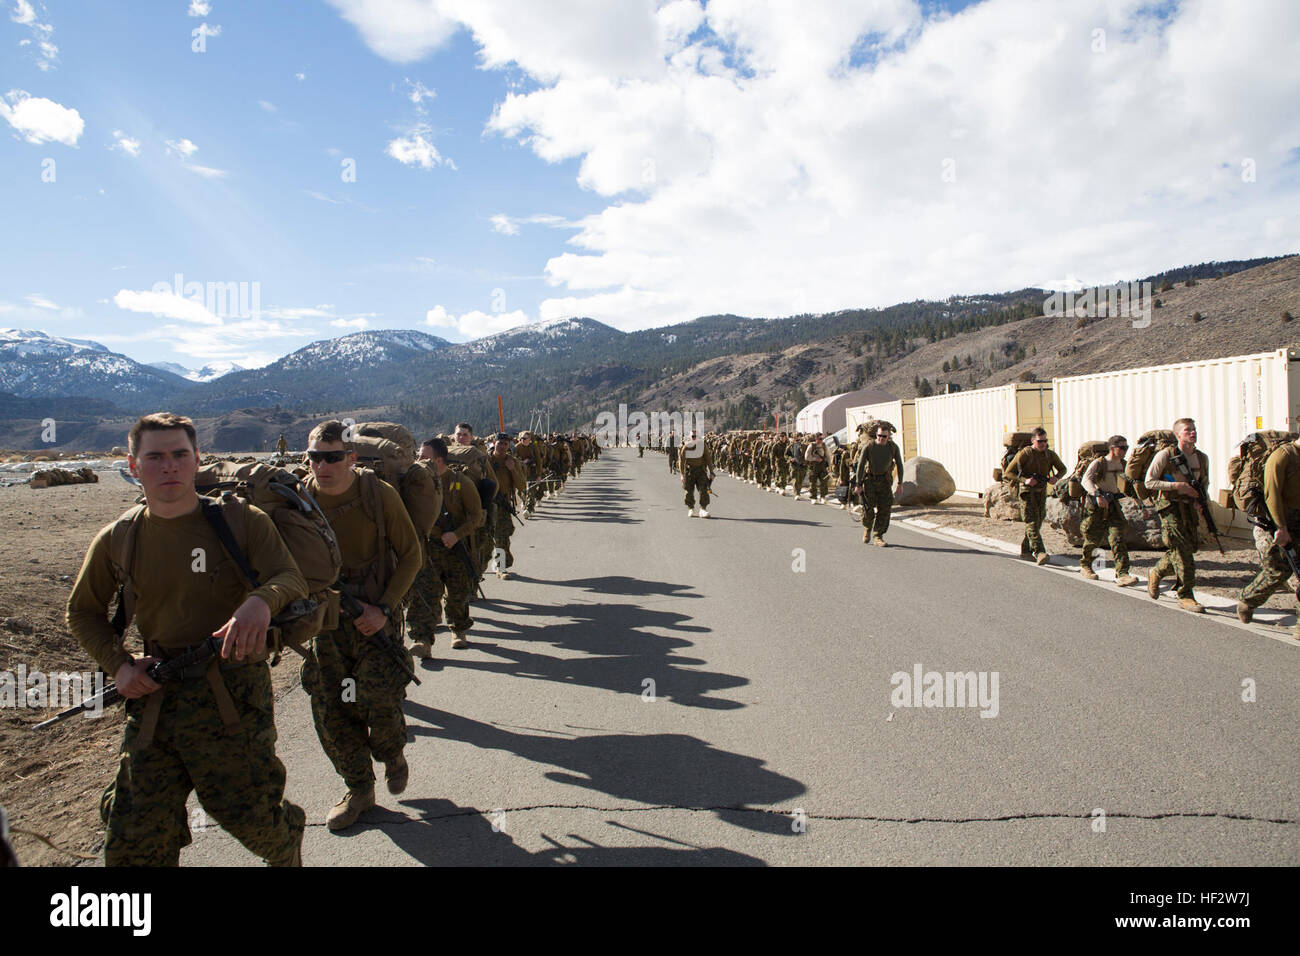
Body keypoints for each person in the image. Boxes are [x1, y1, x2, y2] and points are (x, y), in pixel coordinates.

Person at [66, 412, 308, 866]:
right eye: (155, 457)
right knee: (134, 837)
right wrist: (118, 665)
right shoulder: (120, 537)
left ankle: (287, 841)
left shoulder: (241, 520)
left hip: (232, 692)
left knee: (253, 820)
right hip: (155, 696)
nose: (169, 467)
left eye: (180, 455)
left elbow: (289, 576)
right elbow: (81, 612)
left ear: (197, 460)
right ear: (134, 466)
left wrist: (260, 601)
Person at [301, 420, 423, 830]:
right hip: (325, 625)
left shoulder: (378, 494)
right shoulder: (299, 501)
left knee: (382, 704)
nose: (323, 465)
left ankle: (392, 754)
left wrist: (384, 610)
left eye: (333, 457)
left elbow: (410, 557)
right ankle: (359, 789)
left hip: (375, 619)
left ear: (351, 458)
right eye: (316, 457)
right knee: (332, 711)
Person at [413, 437, 484, 652]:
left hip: (455, 547)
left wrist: (457, 534)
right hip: (428, 548)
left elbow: (477, 516)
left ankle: (458, 630)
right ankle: (423, 639)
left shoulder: (461, 482)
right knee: (425, 594)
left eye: (424, 457)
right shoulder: (415, 483)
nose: (419, 460)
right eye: (418, 456)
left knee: (457, 593)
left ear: (439, 460)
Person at [1144, 418, 1210, 612]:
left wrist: (1201, 501)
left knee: (1189, 548)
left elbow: (1204, 483)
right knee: (1182, 553)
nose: (1192, 433)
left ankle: (1156, 572)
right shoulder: (1166, 455)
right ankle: (1186, 594)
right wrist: (1177, 486)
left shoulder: (1201, 457)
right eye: (1188, 430)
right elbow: (1150, 482)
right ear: (1178, 435)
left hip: (1189, 508)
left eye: (1194, 429)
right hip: (1170, 507)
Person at [1237, 435, 1300, 636]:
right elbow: (1271, 495)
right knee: (1277, 571)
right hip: (1285, 523)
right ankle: (1249, 599)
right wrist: (1281, 528)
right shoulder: (1283, 456)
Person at [1079, 436, 1139, 587]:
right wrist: (1097, 494)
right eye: (1122, 448)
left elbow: (1129, 485)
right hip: (1097, 505)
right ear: (1112, 448)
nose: (1125, 451)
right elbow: (1086, 480)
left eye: (1126, 447)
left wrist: (1140, 504)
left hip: (1113, 505)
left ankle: (1123, 573)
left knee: (1118, 538)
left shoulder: (1124, 465)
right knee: (1093, 538)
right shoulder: (1099, 463)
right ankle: (1086, 565)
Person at [1005, 427, 1067, 565]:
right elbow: (1008, 473)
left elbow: (1063, 469)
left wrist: (1055, 478)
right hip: (1027, 492)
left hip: (1041, 491)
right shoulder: (1025, 453)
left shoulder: (1049, 455)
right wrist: (1024, 480)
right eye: (1040, 441)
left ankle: (1025, 550)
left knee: (1038, 521)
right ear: (1033, 440)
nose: (1043, 444)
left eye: (1045, 441)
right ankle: (1039, 552)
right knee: (1031, 521)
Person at [852, 424, 905, 546]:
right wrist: (858, 484)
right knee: (868, 509)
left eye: (884, 436)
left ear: (888, 436)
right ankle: (867, 528)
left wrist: (900, 483)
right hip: (870, 481)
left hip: (885, 481)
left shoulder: (893, 448)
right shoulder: (869, 447)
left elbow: (900, 465)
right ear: (876, 435)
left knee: (885, 509)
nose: (881, 438)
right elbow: (860, 466)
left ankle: (878, 536)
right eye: (879, 435)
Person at [488, 432, 526, 579]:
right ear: (494, 442)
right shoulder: (485, 460)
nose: (503, 446)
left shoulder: (512, 461)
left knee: (502, 536)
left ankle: (501, 567)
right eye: (500, 443)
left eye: (506, 443)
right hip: (485, 503)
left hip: (502, 503)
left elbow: (521, 485)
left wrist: (512, 469)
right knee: (483, 539)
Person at [680, 429, 715, 517]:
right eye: (693, 436)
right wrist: (682, 475)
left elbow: (708, 459)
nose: (694, 438)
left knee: (704, 490)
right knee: (689, 491)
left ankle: (703, 509)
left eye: (696, 436)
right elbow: (681, 460)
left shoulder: (703, 446)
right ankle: (691, 508)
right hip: (690, 471)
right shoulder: (686, 447)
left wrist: (711, 472)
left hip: (701, 471)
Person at [804, 434, 829, 503]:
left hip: (822, 467)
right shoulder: (811, 446)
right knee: (813, 483)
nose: (821, 440)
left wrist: (830, 466)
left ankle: (823, 496)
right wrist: (815, 459)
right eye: (819, 439)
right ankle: (813, 497)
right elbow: (806, 457)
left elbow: (828, 456)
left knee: (823, 482)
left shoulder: (824, 446)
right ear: (816, 439)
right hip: (813, 467)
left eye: (822, 439)